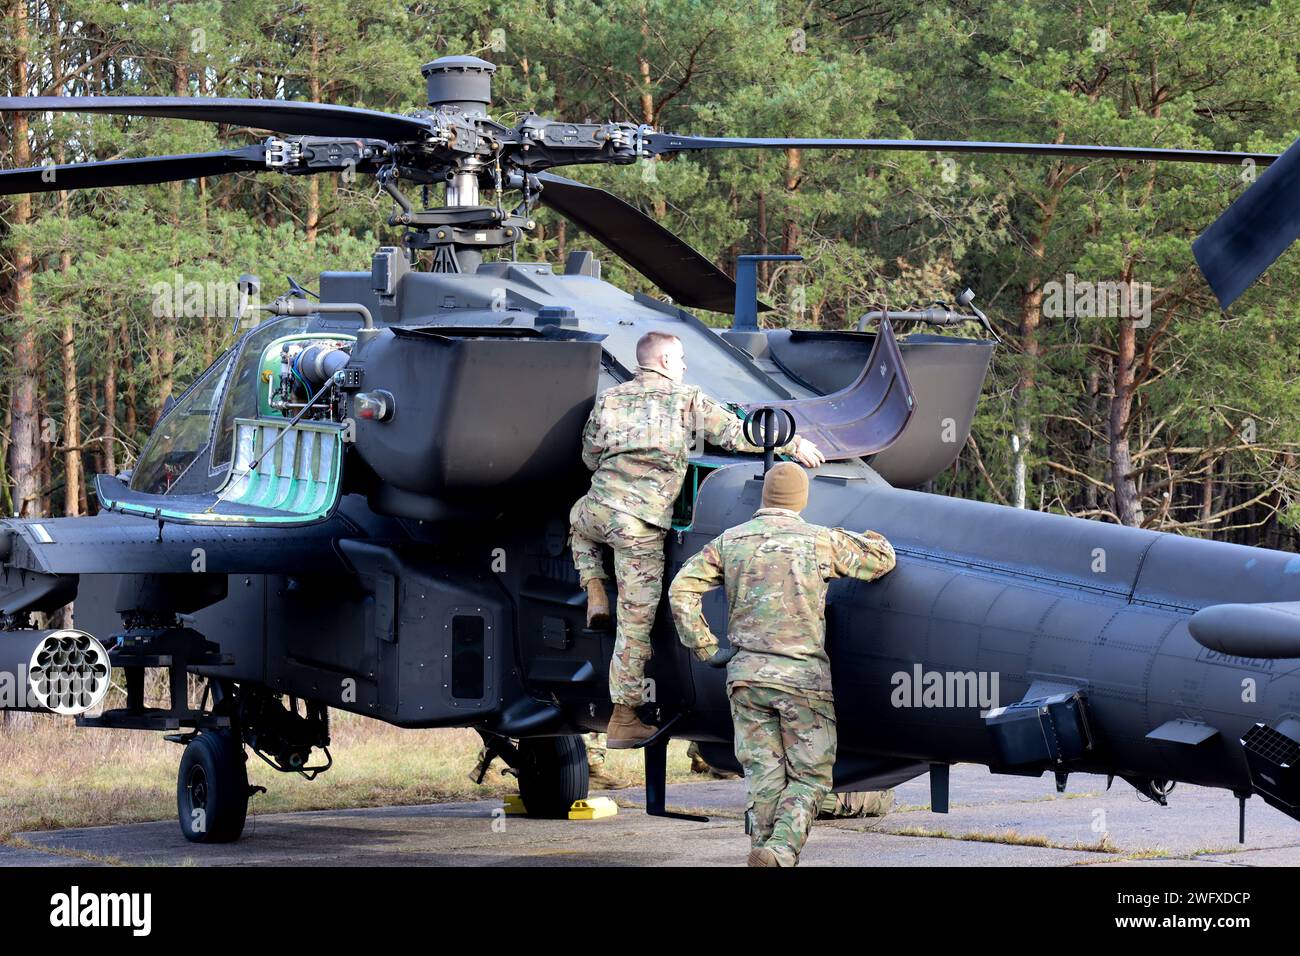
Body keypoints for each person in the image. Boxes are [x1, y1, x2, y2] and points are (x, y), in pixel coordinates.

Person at [571, 331, 825, 748]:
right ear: (667, 361)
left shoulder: (610, 399)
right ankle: (623, 717)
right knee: (635, 624)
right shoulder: (685, 398)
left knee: (577, 522)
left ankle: (593, 584)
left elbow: (590, 455)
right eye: (682, 359)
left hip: (597, 510)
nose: (686, 366)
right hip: (639, 527)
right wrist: (793, 444)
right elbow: (737, 433)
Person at [668, 461, 896, 866]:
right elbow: (881, 561)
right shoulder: (818, 541)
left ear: (765, 497)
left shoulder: (730, 542)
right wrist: (875, 538)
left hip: (745, 679)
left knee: (763, 777)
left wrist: (705, 647)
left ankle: (763, 855)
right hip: (800, 679)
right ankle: (780, 850)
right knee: (811, 777)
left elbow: (680, 590)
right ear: (802, 500)